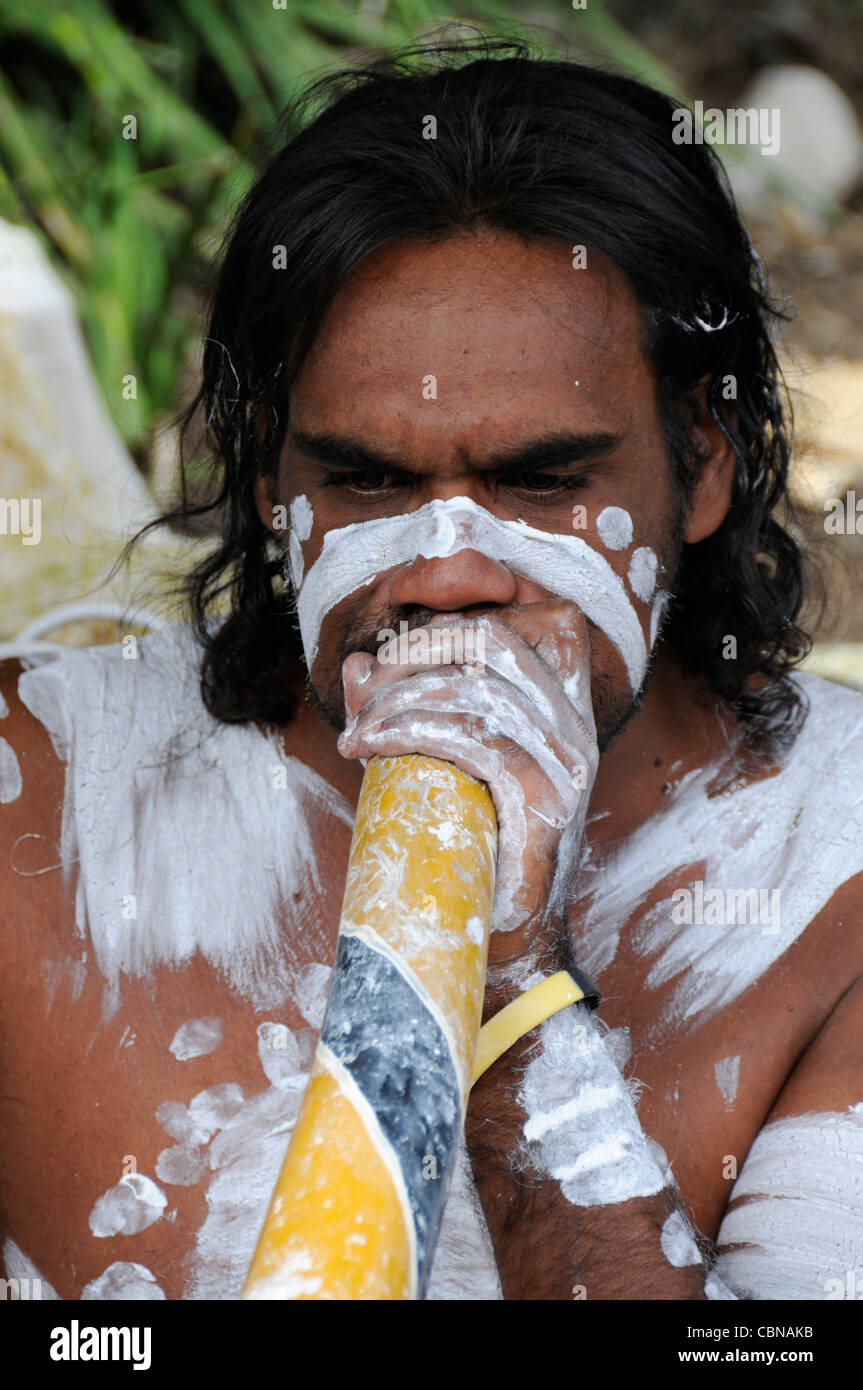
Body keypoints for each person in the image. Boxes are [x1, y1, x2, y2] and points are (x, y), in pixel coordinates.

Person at [2, 41, 862, 1303]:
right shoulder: (42, 798)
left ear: (704, 462)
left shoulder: (830, 879)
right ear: (265, 480)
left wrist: (514, 998)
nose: (444, 572)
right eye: (366, 479)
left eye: (540, 481)